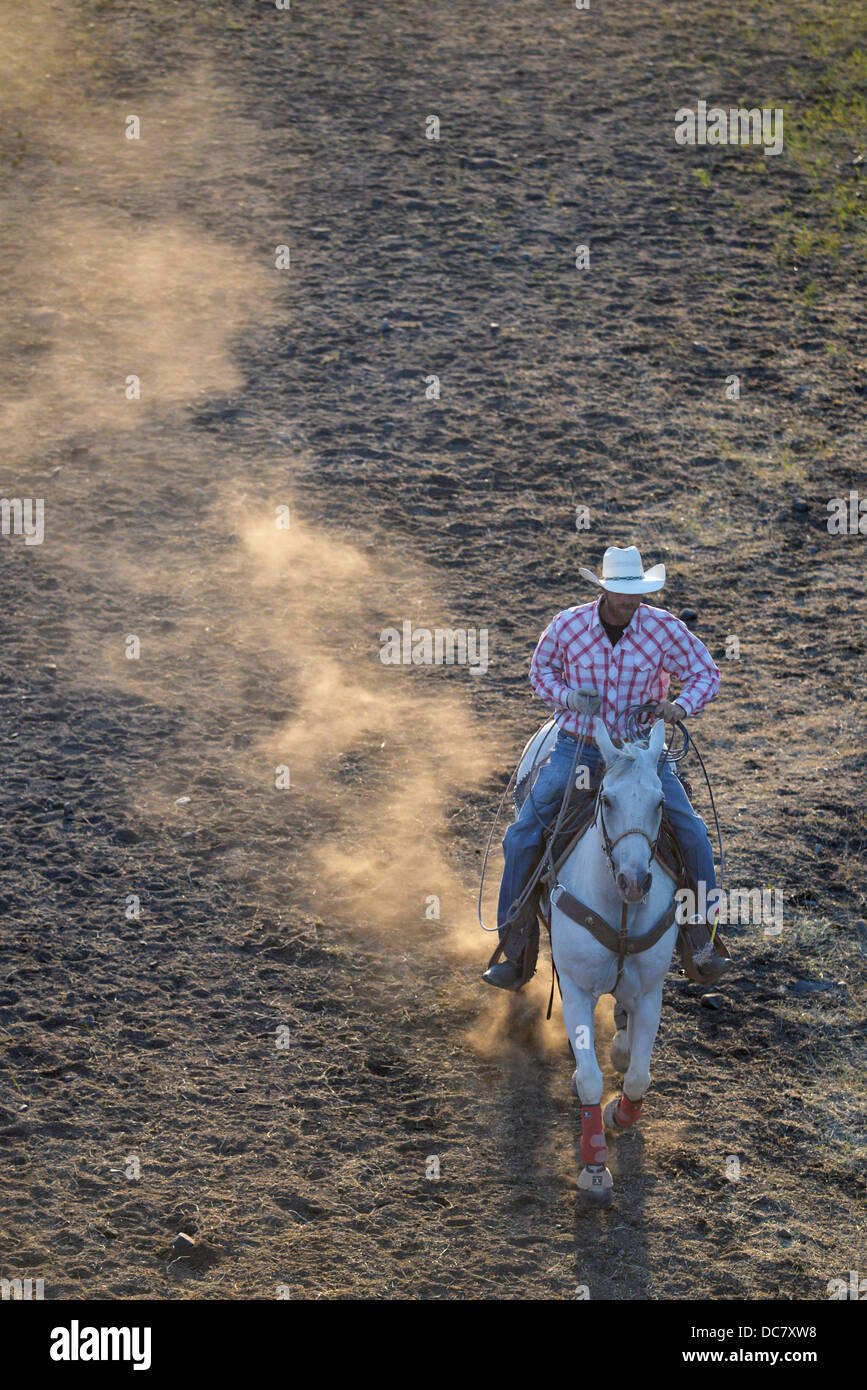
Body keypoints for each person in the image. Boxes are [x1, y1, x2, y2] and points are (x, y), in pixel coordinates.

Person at [484, 544, 731, 990]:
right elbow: (541, 672)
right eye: (620, 592)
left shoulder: (662, 628)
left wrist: (680, 705)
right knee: (520, 835)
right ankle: (516, 946)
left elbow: (705, 673)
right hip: (579, 748)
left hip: (639, 754)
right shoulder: (568, 625)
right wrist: (568, 698)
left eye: (635, 592)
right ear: (602, 588)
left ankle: (701, 936)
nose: (629, 601)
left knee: (691, 831)